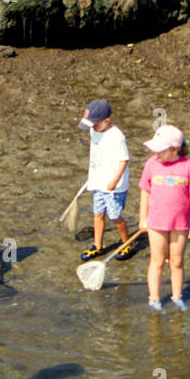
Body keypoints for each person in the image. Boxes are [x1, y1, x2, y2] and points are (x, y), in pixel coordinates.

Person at [139, 124, 190, 312]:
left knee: (177, 261)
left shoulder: (189, 167)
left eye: (160, 150)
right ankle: (154, 298)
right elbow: (145, 192)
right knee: (157, 260)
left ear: (175, 149)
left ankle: (177, 296)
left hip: (180, 223)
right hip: (156, 222)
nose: (156, 153)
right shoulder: (151, 164)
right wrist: (143, 218)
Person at [78, 99, 133, 262]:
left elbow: (124, 160)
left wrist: (114, 181)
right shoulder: (93, 131)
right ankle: (98, 245)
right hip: (98, 182)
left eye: (95, 124)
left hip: (113, 187)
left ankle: (126, 242)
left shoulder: (117, 137)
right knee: (98, 214)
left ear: (106, 121)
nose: (92, 128)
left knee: (115, 215)